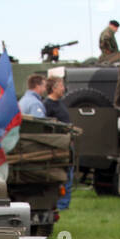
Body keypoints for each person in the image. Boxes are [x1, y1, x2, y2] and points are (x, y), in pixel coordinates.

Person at [43, 75, 73, 209]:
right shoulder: (47, 105)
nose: (64, 88)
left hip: (67, 144)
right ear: (54, 88)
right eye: (61, 86)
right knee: (61, 175)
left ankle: (65, 203)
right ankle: (60, 205)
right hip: (57, 145)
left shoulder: (61, 103)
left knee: (69, 175)